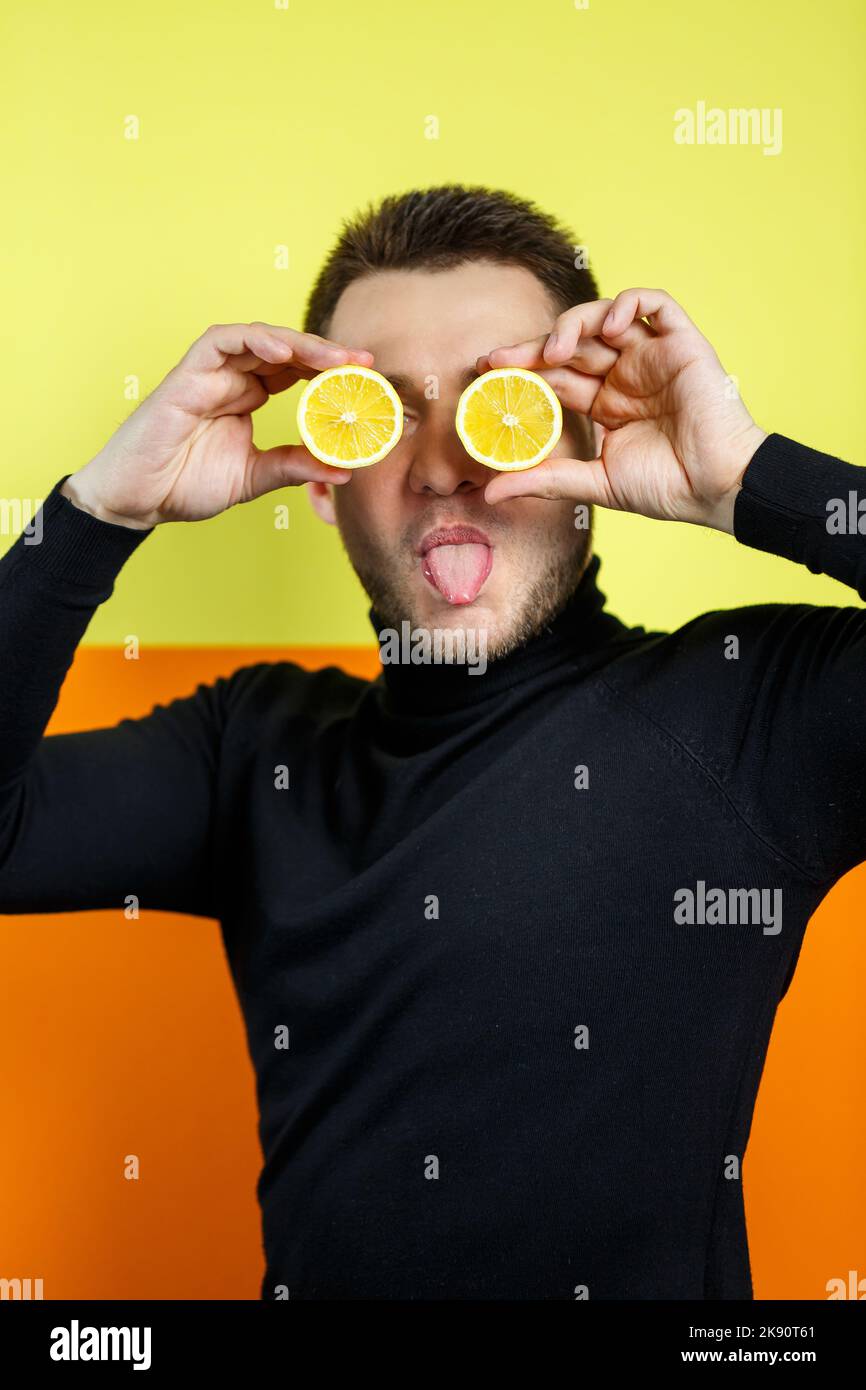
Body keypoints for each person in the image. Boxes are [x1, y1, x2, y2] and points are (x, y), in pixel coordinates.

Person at [1, 184, 862, 1300]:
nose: (447, 461)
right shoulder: (254, 752)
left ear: (591, 439)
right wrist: (94, 513)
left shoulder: (746, 715)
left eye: (497, 400)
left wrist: (750, 481)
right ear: (321, 475)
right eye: (386, 408)